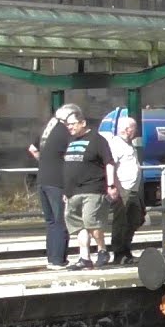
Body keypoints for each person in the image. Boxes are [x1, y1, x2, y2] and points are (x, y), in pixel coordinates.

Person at [61, 110, 117, 270]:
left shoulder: (98, 140)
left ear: (83, 123)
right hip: (73, 192)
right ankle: (84, 258)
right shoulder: (71, 140)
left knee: (91, 221)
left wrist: (111, 185)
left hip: (93, 189)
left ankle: (102, 250)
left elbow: (109, 162)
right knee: (78, 225)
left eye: (72, 124)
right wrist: (66, 190)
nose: (70, 127)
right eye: (68, 125)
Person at [26, 104, 75, 270]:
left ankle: (51, 259)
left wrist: (44, 162)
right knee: (61, 220)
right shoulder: (64, 131)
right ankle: (59, 260)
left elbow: (32, 149)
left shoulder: (46, 128)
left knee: (51, 222)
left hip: (42, 179)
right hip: (57, 180)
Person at [105, 116, 144, 265]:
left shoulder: (128, 144)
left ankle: (126, 249)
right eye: (134, 128)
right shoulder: (116, 144)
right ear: (128, 129)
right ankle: (119, 253)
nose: (135, 131)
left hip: (132, 189)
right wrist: (113, 186)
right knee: (121, 221)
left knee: (136, 218)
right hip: (123, 188)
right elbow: (111, 166)